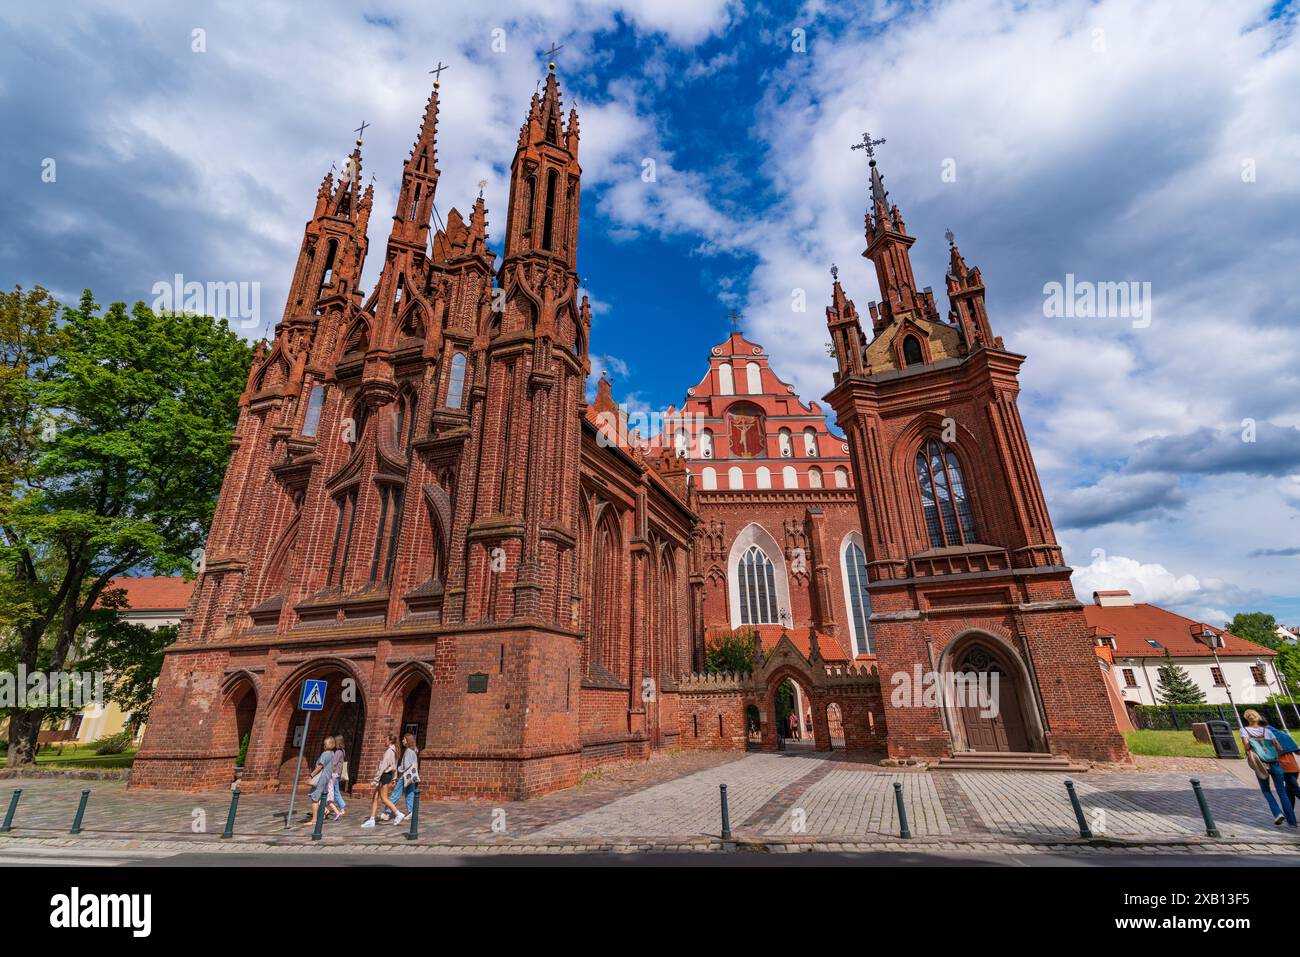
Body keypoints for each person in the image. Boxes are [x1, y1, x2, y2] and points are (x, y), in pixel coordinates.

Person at [1242, 709, 1296, 827]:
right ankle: (1292, 822)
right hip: (1274, 762)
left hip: (1260, 764)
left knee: (1266, 791)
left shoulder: (1244, 730)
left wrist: (1253, 744)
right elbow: (1280, 748)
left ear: (1247, 718)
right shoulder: (1267, 731)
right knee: (1282, 792)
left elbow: (1246, 747)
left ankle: (1277, 813)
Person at [361, 734, 401, 828]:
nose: (385, 741)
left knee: (384, 798)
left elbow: (382, 767)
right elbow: (395, 766)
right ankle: (372, 820)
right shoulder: (395, 751)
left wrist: (375, 780)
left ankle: (398, 814)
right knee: (375, 797)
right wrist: (394, 778)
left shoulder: (389, 752)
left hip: (384, 776)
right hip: (387, 776)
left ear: (390, 741)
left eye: (386, 739)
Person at [306, 735, 337, 829]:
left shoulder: (325, 754)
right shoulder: (332, 754)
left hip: (321, 778)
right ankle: (325, 810)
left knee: (315, 798)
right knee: (321, 796)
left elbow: (320, 766)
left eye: (325, 743)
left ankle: (314, 820)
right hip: (327, 778)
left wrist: (311, 775)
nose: (323, 745)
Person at [388, 732, 420, 823]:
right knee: (410, 794)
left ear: (408, 740)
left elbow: (406, 765)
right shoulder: (413, 750)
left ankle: (387, 811)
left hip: (405, 776)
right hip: (411, 777)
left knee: (396, 793)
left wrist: (399, 769)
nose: (402, 741)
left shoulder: (408, 751)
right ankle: (411, 811)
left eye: (404, 739)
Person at [329, 734, 347, 820]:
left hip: (335, 774)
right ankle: (337, 807)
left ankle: (342, 808)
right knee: (335, 790)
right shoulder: (342, 751)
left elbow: (334, 763)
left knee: (335, 791)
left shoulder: (338, 752)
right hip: (338, 774)